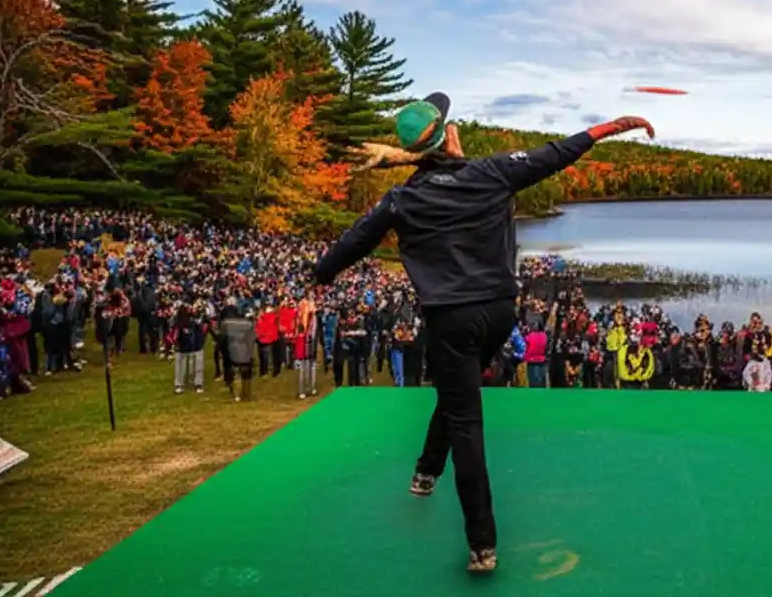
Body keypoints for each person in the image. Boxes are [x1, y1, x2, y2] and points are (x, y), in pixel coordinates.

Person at [313, 93, 654, 573]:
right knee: (458, 398)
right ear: (447, 137)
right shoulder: (492, 173)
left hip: (451, 320)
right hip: (499, 313)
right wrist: (609, 127)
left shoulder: (401, 199)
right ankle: (427, 470)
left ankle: (482, 544)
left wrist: (319, 275)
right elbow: (556, 153)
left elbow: (352, 242)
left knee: (464, 418)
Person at [221, 306, 256, 402]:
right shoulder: (246, 324)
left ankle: (237, 395)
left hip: (233, 351)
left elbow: (223, 341)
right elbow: (251, 338)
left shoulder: (226, 326)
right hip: (245, 351)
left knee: (236, 374)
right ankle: (246, 395)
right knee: (246, 373)